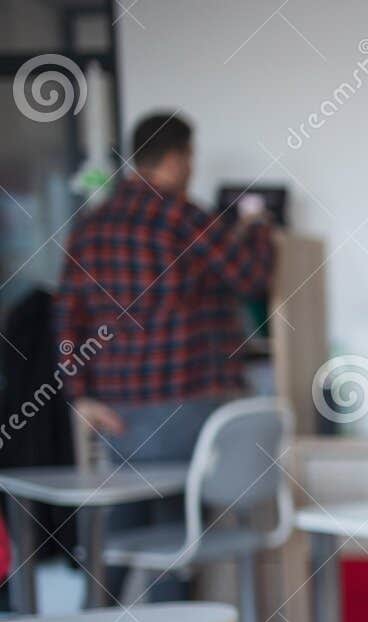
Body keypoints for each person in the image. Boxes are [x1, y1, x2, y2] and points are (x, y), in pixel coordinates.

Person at [53, 111, 275, 597]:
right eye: (190, 158)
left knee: (123, 528)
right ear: (177, 159)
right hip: (185, 408)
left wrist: (79, 395)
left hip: (120, 416)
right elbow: (250, 277)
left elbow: (67, 316)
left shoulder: (89, 227)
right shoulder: (182, 215)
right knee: (176, 530)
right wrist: (257, 226)